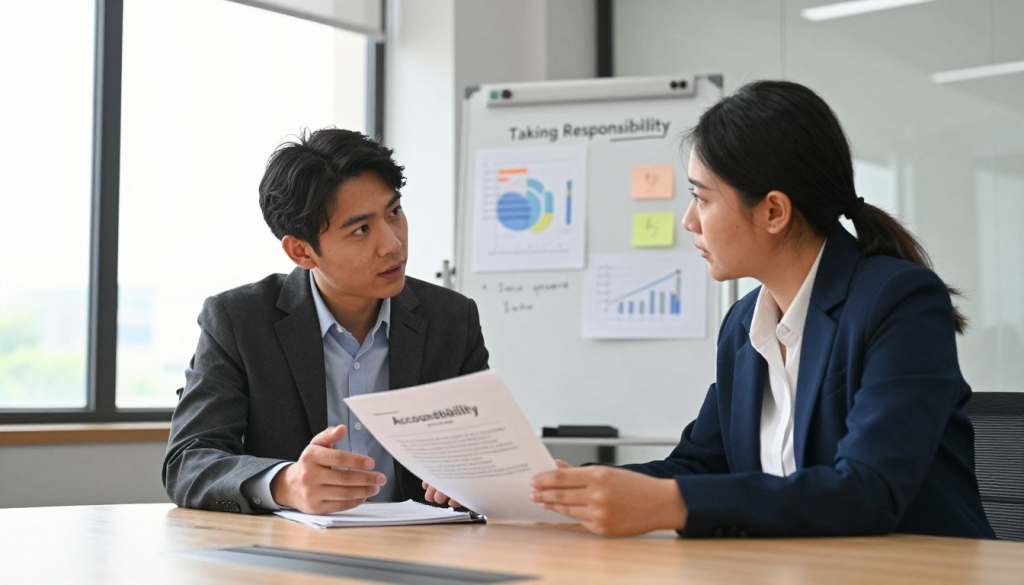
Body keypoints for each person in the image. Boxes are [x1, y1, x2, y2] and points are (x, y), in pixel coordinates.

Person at [437, 80, 994, 539]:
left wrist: (671, 504)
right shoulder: (743, 324)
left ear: (773, 211)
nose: (689, 221)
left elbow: (866, 491)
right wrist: (564, 487)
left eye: (703, 198)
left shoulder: (898, 301)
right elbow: (698, 465)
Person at [163, 129, 489, 515]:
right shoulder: (239, 321)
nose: (393, 244)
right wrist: (287, 483)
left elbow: (483, 450)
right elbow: (188, 460)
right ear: (301, 251)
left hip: (422, 554)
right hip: (292, 560)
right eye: (361, 229)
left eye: (394, 213)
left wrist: (475, 478)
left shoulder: (450, 319)